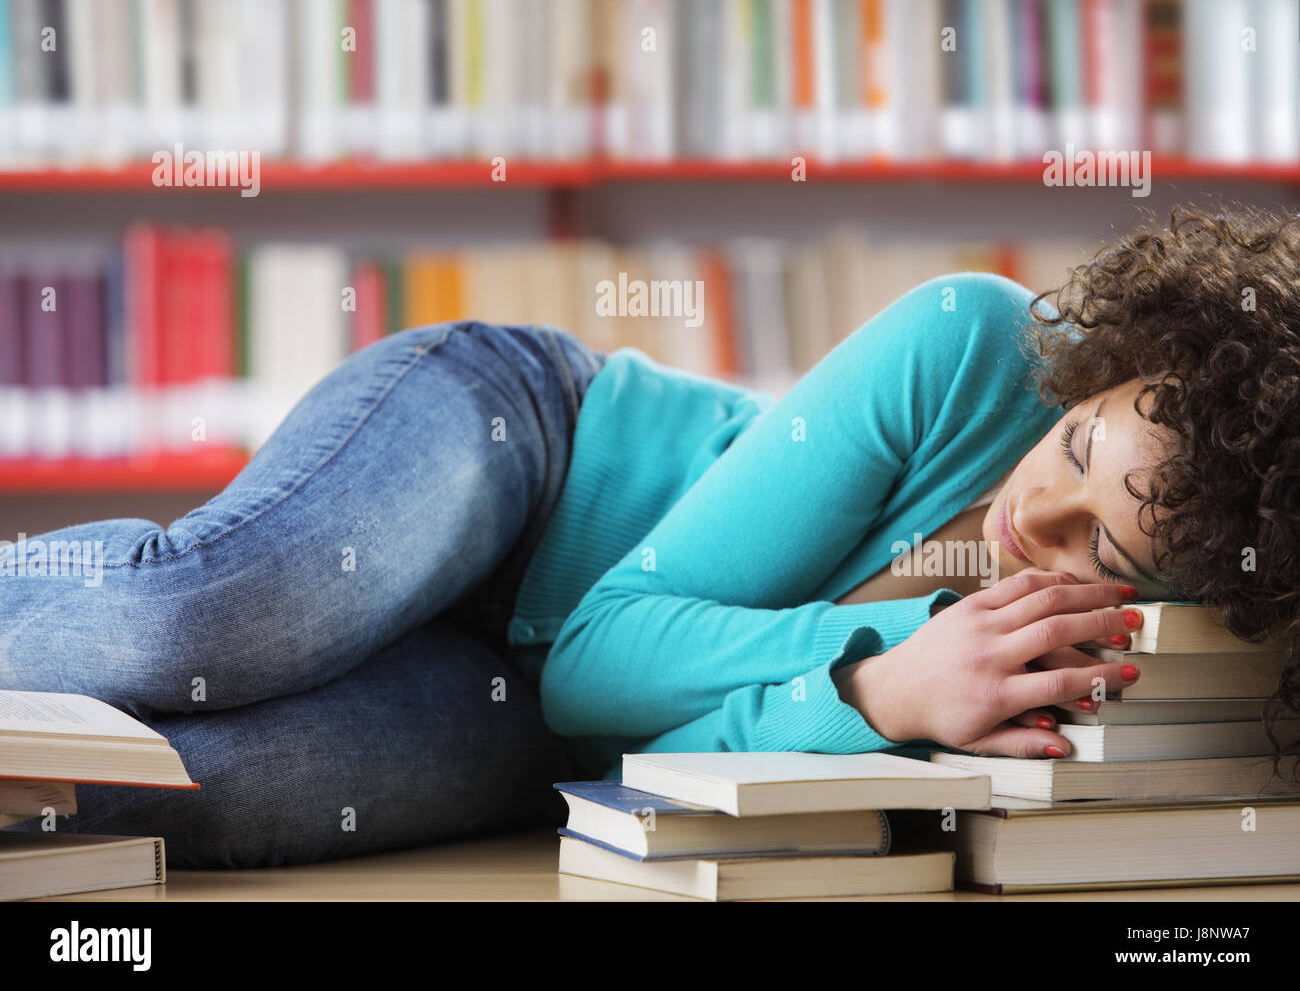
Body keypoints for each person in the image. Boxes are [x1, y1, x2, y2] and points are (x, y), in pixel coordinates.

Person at [2, 205, 1296, 867]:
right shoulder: (969, 345)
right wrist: (881, 679)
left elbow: (593, 715)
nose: (1032, 518)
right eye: (1074, 449)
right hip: (533, 454)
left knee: (190, 790)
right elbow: (606, 646)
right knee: (205, 619)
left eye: (1104, 555)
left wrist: (878, 701)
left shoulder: (1116, 674)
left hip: (537, 728)